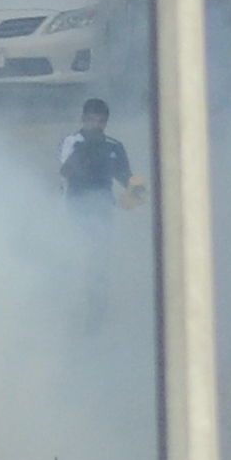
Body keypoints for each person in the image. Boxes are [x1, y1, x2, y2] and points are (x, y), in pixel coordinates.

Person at [59, 99, 140, 326]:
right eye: (91, 119)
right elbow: (66, 171)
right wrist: (88, 150)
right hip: (73, 208)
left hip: (102, 211)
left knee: (97, 262)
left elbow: (124, 175)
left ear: (106, 122)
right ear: (83, 119)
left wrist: (135, 188)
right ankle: (68, 310)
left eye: (100, 121)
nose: (95, 124)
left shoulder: (114, 146)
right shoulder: (71, 142)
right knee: (72, 260)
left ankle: (96, 314)